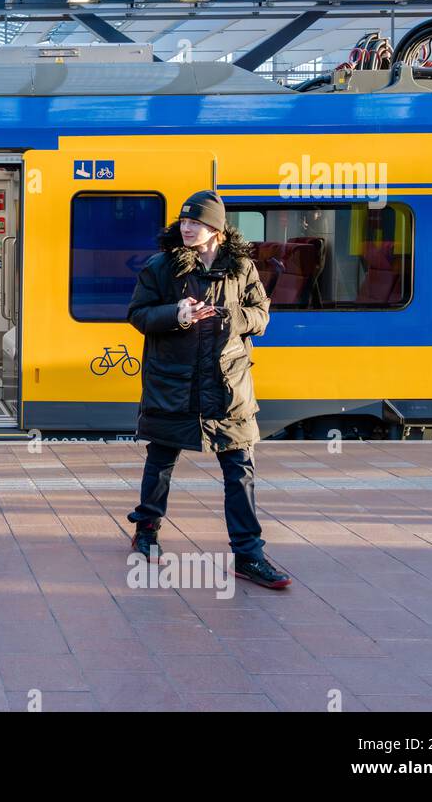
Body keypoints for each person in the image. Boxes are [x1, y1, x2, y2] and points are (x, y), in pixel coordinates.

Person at [126, 190, 292, 589]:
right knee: (161, 459)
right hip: (174, 382)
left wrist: (231, 316)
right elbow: (137, 315)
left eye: (195, 222)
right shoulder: (160, 267)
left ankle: (248, 554)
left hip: (227, 385)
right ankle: (146, 530)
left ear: (215, 229)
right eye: (184, 221)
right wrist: (176, 314)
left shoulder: (242, 269)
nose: (186, 227)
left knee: (240, 469)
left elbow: (261, 316)